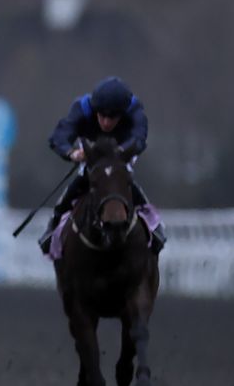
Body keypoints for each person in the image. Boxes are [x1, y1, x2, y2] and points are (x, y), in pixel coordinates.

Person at [40, 75, 162, 254]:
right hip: (91, 161)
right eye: (102, 115)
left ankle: (155, 228)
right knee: (76, 185)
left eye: (112, 117)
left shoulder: (134, 109)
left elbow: (139, 139)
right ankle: (53, 226)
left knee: (125, 183)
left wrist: (117, 154)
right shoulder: (81, 108)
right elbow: (59, 137)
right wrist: (71, 153)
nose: (106, 122)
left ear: (122, 113)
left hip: (121, 159)